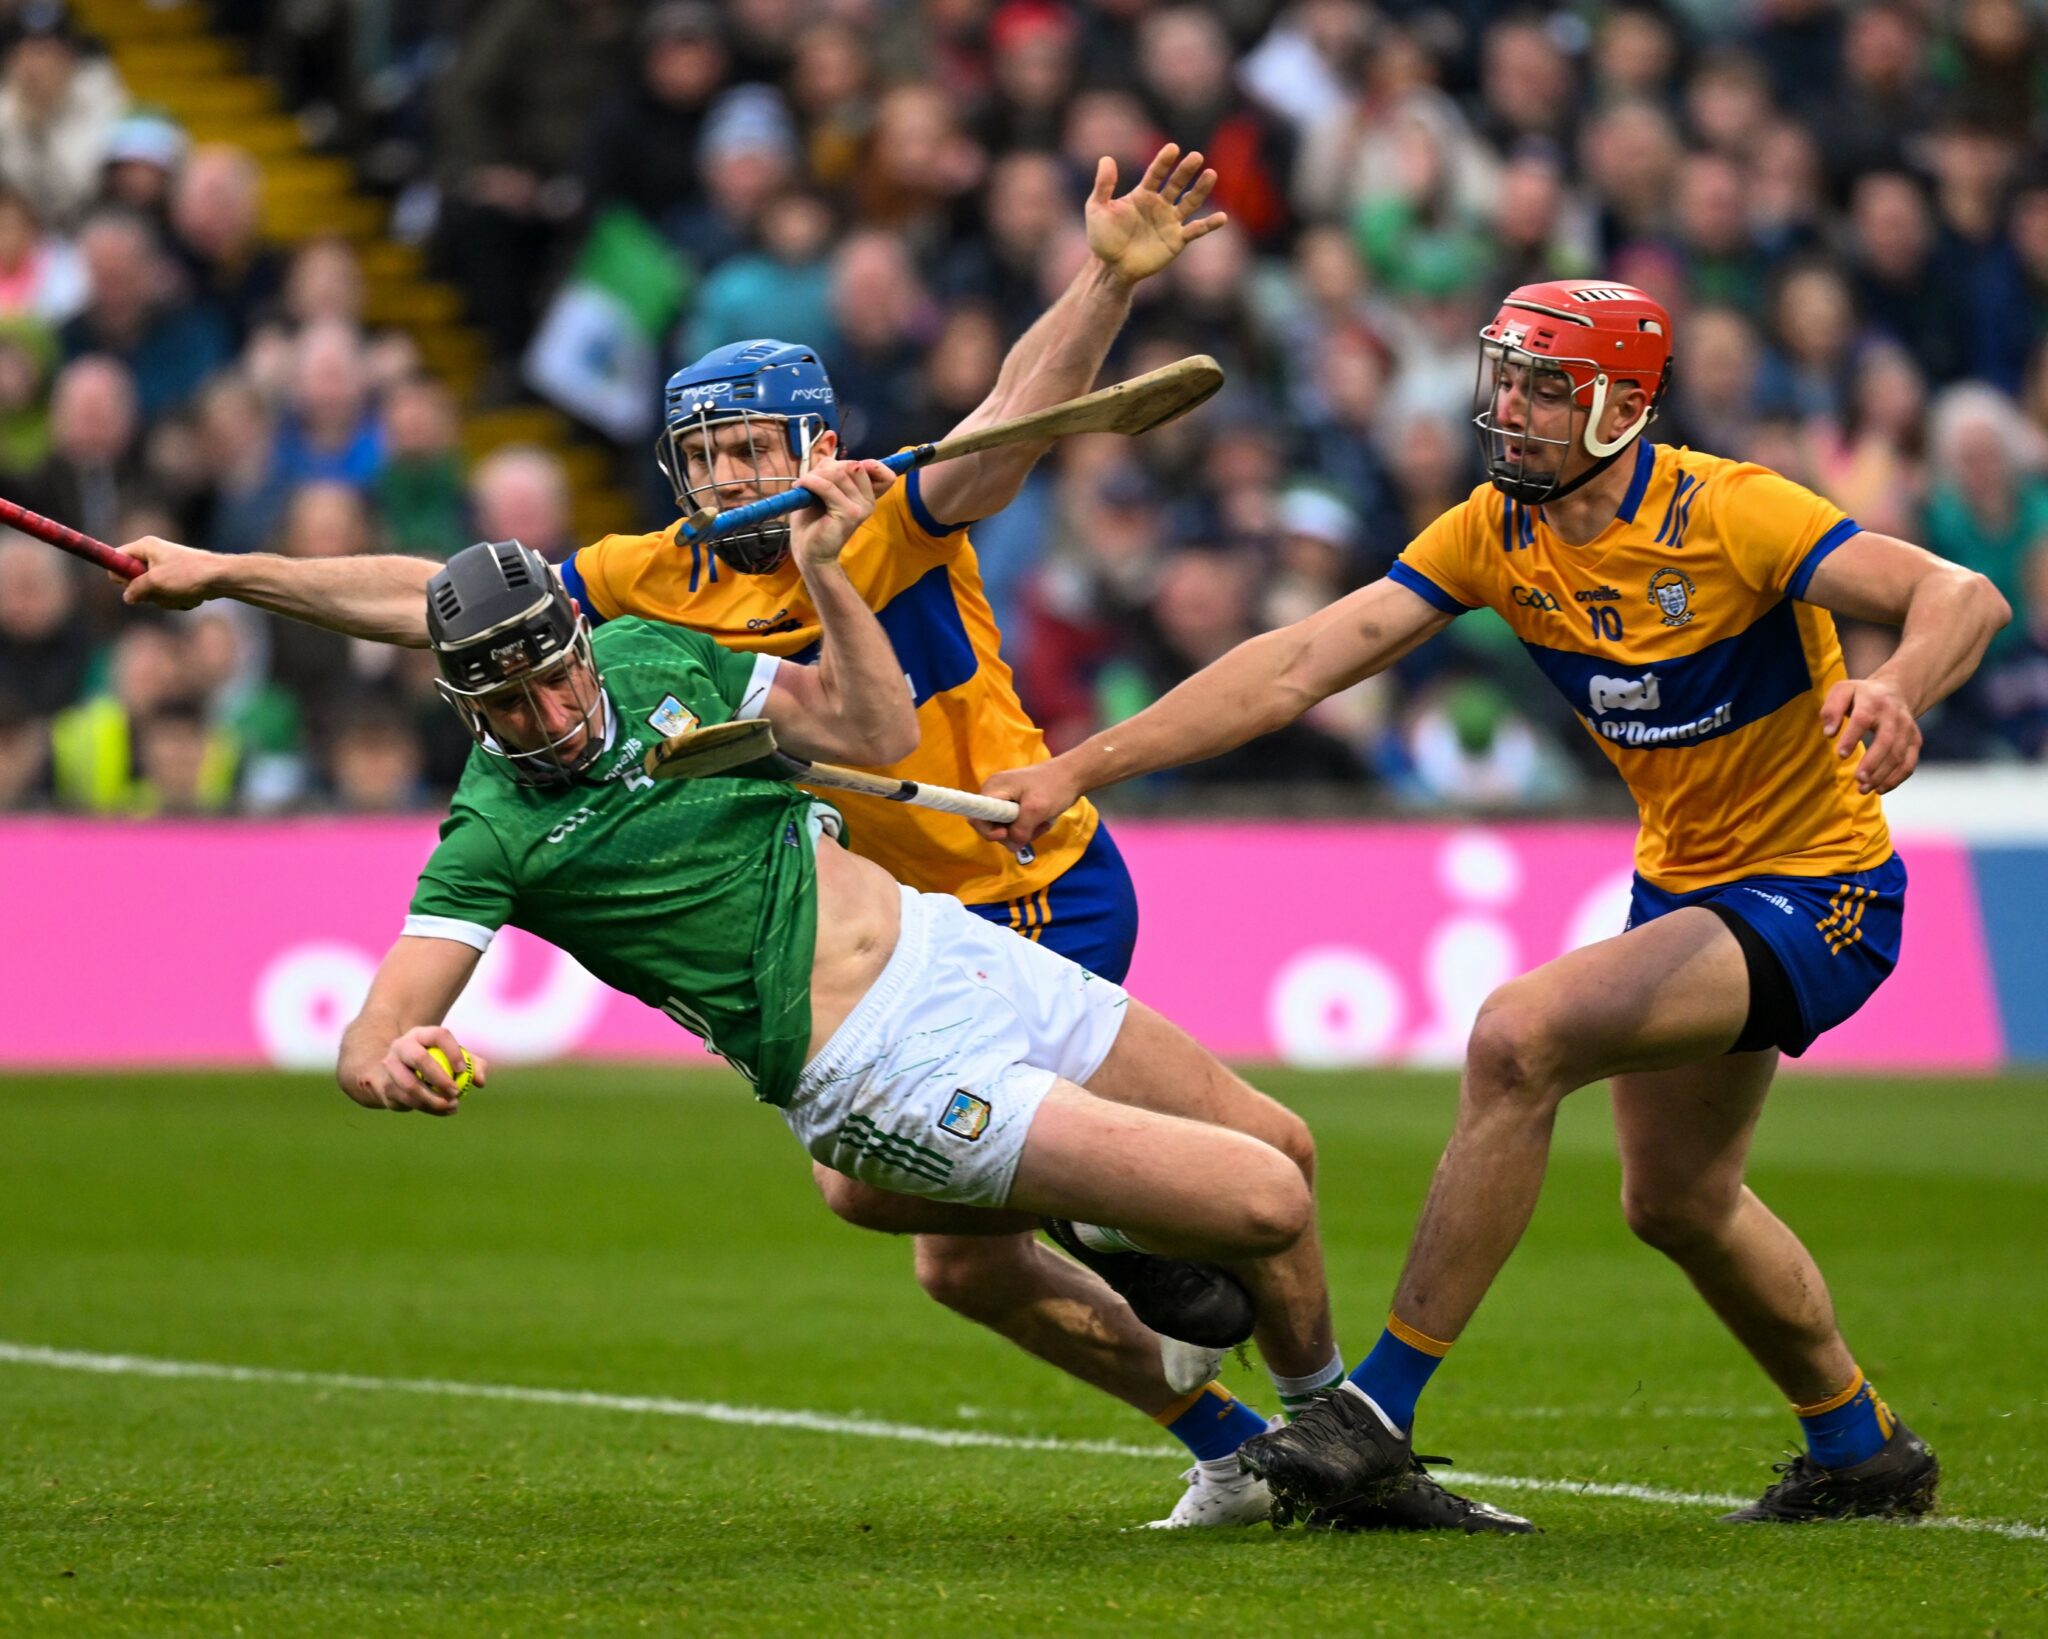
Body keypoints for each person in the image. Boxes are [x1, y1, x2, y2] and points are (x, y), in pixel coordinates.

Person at [111, 144, 1360, 1525]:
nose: (723, 478)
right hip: (880, 935)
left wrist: (1107, 281)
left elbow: (1022, 408)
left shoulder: (895, 514)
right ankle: (1226, 1421)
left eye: (750, 450)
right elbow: (448, 598)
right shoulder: (646, 589)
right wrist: (228, 573)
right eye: (701, 456)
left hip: (1033, 885)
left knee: (1081, 1205)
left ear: (812, 448)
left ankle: (1210, 1315)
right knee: (941, 1244)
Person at [982, 279, 2011, 1529]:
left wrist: (1897, 684)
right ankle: (1860, 1451)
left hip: (1820, 887)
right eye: (1503, 378)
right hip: (1680, 885)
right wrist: (1080, 765)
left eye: (1541, 387)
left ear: (1624, 406)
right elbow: (1302, 660)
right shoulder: (1490, 531)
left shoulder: (1730, 510)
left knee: (1517, 1035)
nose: (1507, 409)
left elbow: (1961, 594)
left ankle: (1374, 1409)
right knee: (1676, 1202)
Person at [343, 481, 1341, 1528]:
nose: (548, 719)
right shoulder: (491, 833)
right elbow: (378, 1024)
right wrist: (384, 1058)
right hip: (877, 1069)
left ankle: (1319, 1446)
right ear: (463, 708)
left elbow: (869, 726)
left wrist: (824, 570)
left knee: (1280, 1141)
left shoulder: (650, 654)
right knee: (1260, 1197)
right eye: (508, 707)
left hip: (949, 945)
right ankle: (1287, 1413)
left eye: (554, 681)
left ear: (581, 649)